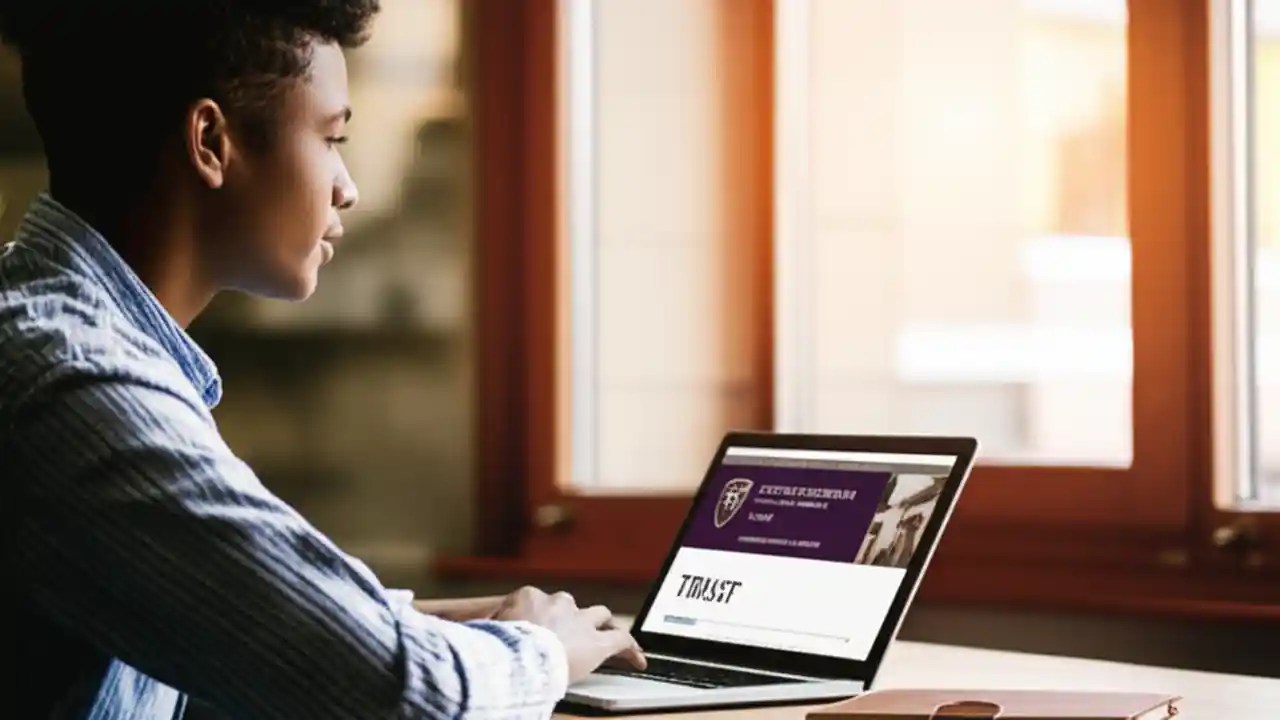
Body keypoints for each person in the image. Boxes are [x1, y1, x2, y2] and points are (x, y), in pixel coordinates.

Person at [0, 2, 643, 718]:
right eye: (332, 137)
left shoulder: (47, 331)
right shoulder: (74, 383)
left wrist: (431, 624)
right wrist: (540, 648)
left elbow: (222, 622)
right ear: (210, 140)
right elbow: (403, 695)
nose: (348, 186)